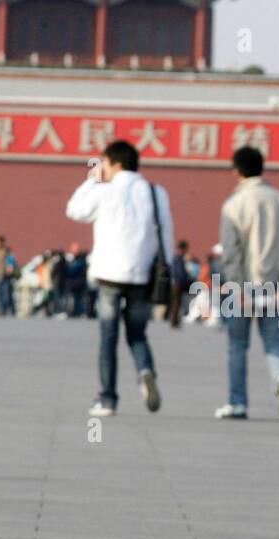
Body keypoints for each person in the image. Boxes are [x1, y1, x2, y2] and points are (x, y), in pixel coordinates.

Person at [66, 139, 172, 416]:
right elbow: (167, 233)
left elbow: (75, 210)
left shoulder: (105, 191)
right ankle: (145, 371)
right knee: (137, 334)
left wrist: (91, 181)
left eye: (104, 164)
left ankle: (108, 399)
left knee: (108, 337)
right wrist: (167, 267)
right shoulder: (155, 192)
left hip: (109, 275)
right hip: (142, 275)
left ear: (115, 163)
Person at [213, 146, 279, 420]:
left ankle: (237, 403)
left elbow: (231, 251)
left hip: (244, 286)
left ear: (237, 171)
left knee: (238, 345)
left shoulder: (234, 204)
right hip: (276, 286)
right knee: (274, 342)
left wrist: (236, 286)